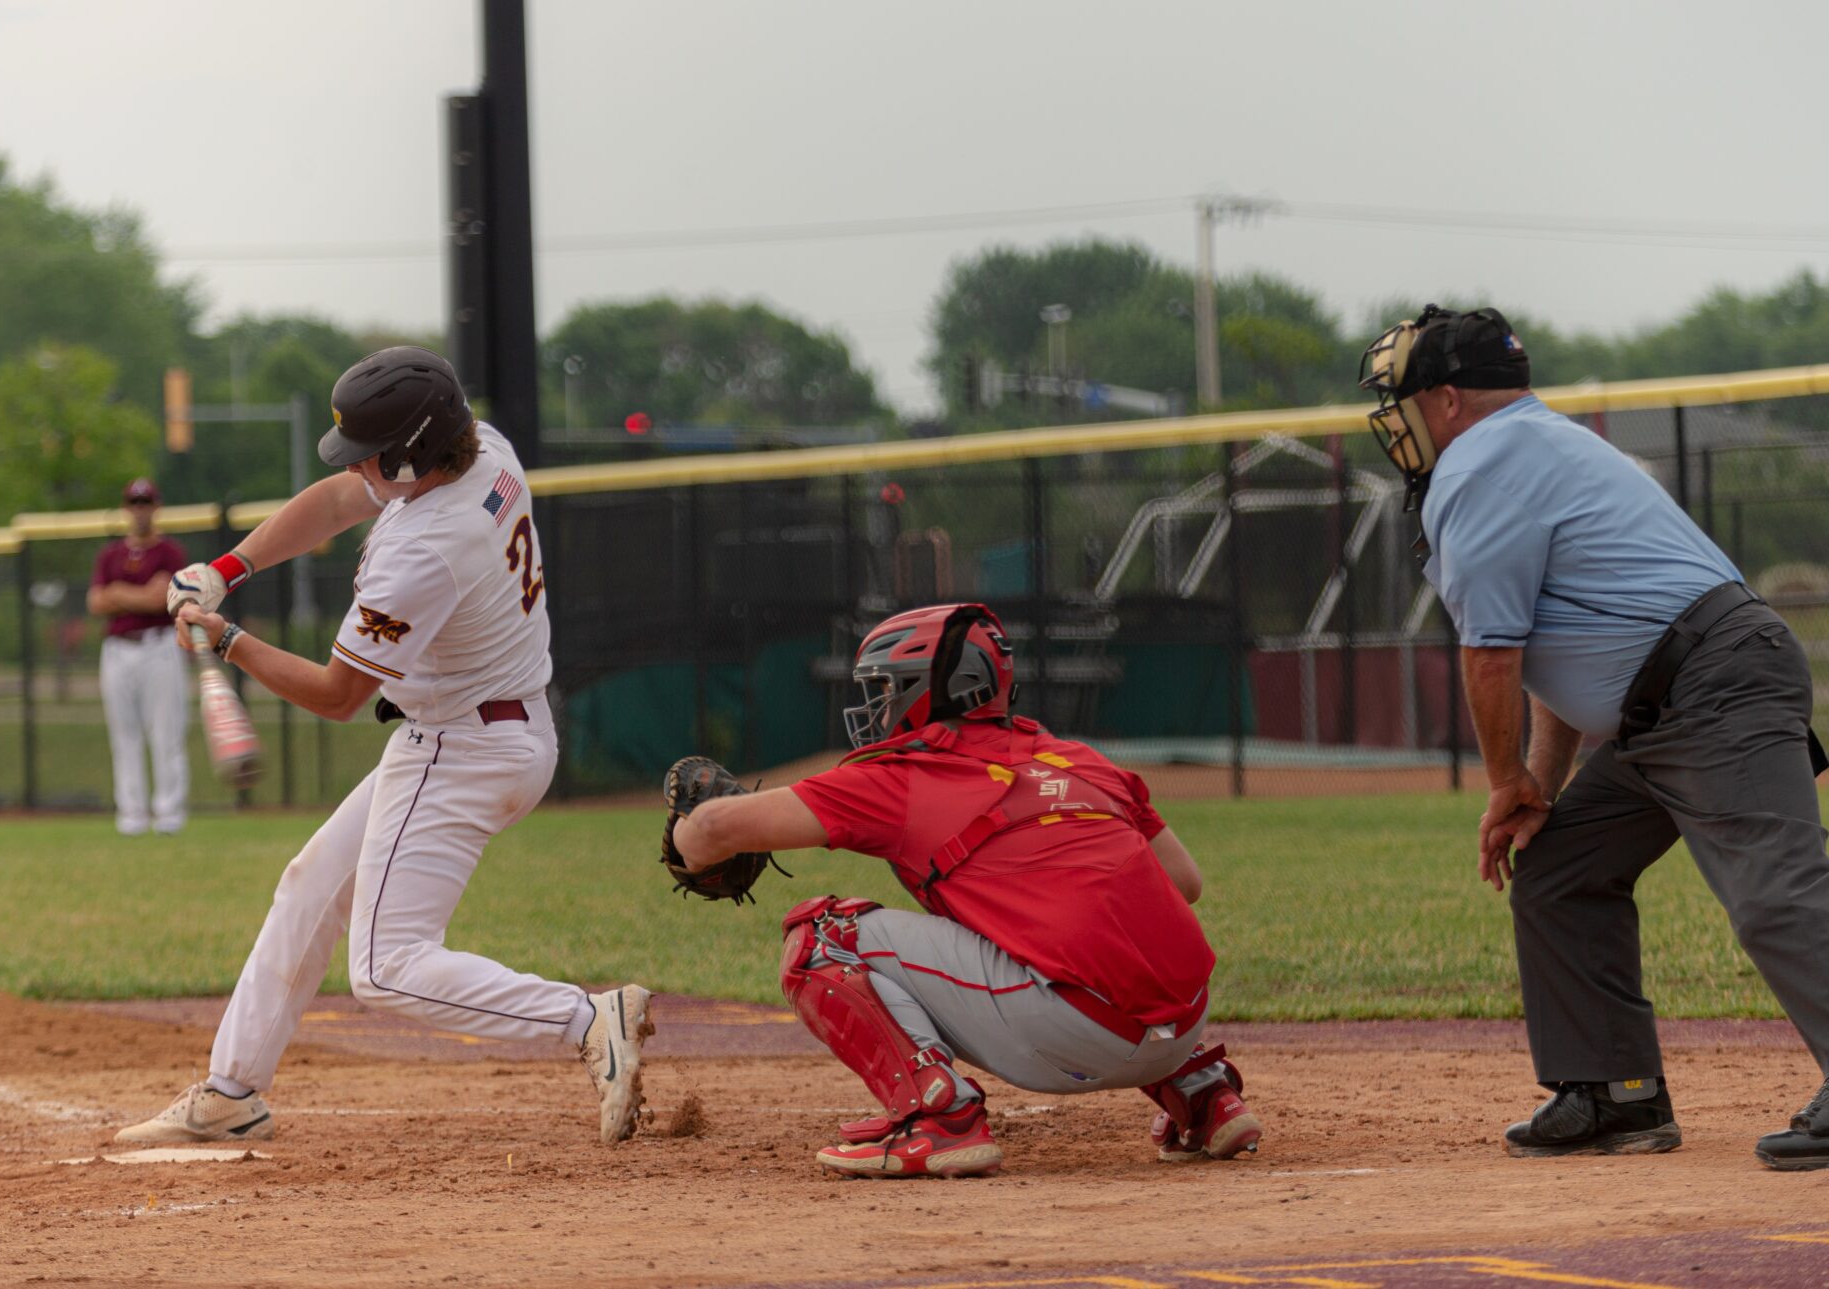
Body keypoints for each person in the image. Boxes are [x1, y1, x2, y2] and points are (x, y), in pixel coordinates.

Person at [113, 347, 652, 1147]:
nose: (358, 466)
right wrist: (229, 568)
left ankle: (584, 1017)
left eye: (370, 452)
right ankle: (232, 1091)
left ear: (409, 452)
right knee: (310, 888)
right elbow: (338, 498)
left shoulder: (426, 546)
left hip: (464, 748)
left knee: (384, 964)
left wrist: (229, 639)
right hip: (478, 727)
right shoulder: (480, 445)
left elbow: (337, 695)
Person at [1359, 304, 1829, 1170]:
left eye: (1407, 399)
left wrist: (1503, 782)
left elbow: (1494, 655)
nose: (1402, 420)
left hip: (1708, 683)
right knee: (1561, 866)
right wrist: (1538, 787)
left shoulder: (1479, 466)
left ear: (1450, 399)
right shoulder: (1541, 443)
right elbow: (1563, 657)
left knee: (1775, 892)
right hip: (1681, 693)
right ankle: (1615, 1094)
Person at [668, 603, 1260, 1178]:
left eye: (886, 688)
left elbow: (716, 829)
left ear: (925, 691)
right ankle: (1203, 1094)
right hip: (1185, 1025)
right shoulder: (1079, 758)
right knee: (1061, 928)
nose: (876, 706)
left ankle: (939, 1120)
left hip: (1074, 1035)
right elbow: (1185, 884)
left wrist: (684, 832)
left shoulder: (903, 775)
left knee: (819, 937)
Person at [87, 478, 190, 836]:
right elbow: (96, 601)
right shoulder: (110, 555)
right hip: (118, 649)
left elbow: (161, 599)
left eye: (146, 503)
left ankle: (168, 813)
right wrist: (133, 593)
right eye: (135, 503)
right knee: (124, 734)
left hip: (158, 645)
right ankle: (131, 814)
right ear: (126, 508)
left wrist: (118, 593)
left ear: (156, 507)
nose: (140, 509)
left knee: (166, 732)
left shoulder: (169, 552)